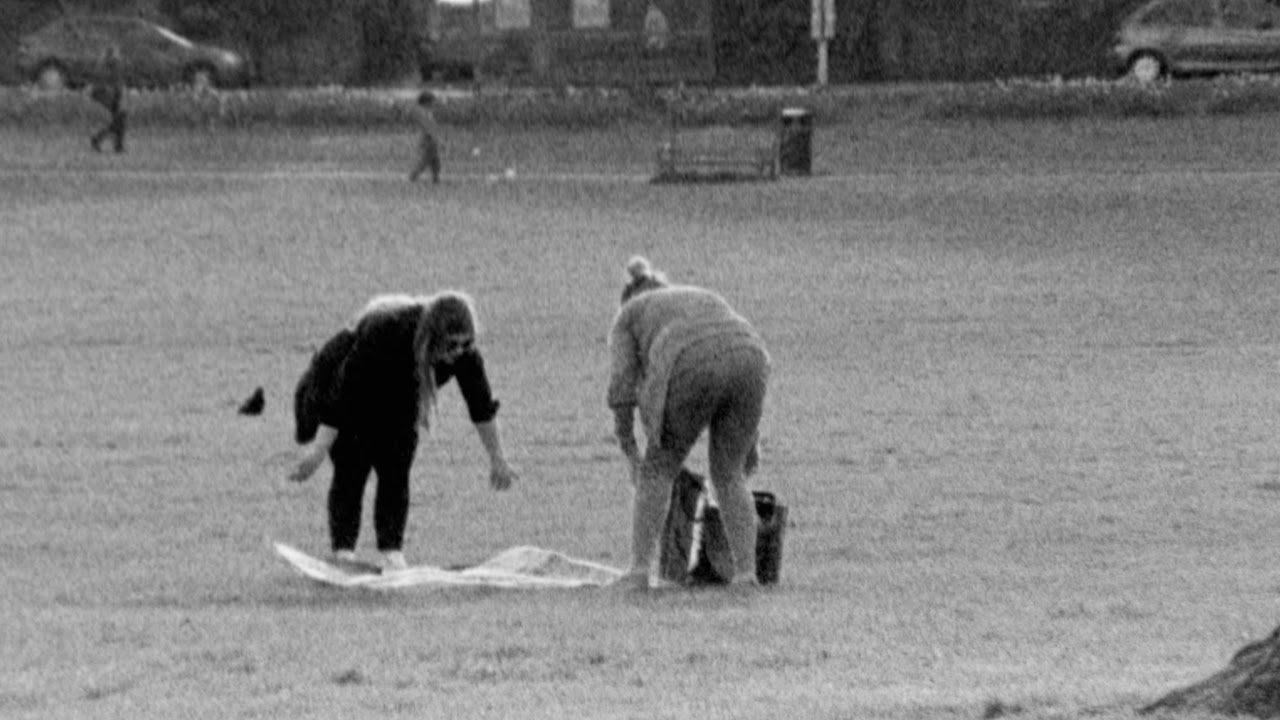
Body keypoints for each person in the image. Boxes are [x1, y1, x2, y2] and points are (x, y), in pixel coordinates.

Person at [289, 292, 518, 571]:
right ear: (431, 336)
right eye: (451, 344)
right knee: (352, 466)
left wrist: (497, 458)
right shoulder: (389, 332)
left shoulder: (465, 356)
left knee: (396, 467)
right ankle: (343, 553)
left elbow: (481, 406)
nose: (458, 351)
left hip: (401, 395)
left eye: (465, 343)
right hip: (344, 382)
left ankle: (391, 552)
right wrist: (318, 450)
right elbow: (343, 394)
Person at [606, 256, 770, 591]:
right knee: (729, 474)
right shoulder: (700, 296)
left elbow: (623, 385)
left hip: (690, 362)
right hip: (753, 358)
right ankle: (746, 573)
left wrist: (631, 451)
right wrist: (749, 440)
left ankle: (638, 572)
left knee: (658, 469)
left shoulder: (628, 316)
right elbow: (731, 351)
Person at [89, 46, 127, 154]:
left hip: (108, 95)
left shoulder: (106, 64)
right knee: (119, 119)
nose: (118, 55)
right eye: (116, 53)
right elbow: (113, 82)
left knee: (119, 120)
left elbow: (116, 82)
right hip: (108, 95)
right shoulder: (110, 64)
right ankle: (100, 140)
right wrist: (116, 94)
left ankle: (114, 144)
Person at [408, 90, 442, 184]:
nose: (433, 103)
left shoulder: (426, 111)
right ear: (426, 102)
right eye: (432, 101)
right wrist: (431, 135)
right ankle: (413, 176)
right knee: (426, 159)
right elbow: (425, 124)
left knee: (434, 159)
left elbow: (431, 124)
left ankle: (435, 178)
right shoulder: (420, 111)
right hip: (428, 138)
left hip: (431, 137)